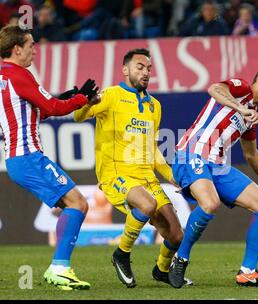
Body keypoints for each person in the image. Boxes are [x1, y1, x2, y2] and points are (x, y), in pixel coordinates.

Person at [0, 25, 99, 290]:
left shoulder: (1, 78)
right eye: (31, 46)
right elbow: (52, 107)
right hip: (28, 157)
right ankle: (59, 267)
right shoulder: (19, 74)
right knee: (79, 204)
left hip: (19, 159)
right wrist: (82, 99)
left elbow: (40, 110)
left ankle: (60, 266)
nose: (34, 51)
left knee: (69, 205)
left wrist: (69, 97)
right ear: (16, 49)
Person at [74, 48, 191, 288]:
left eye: (148, 68)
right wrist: (87, 103)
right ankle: (122, 254)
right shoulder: (111, 95)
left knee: (176, 235)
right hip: (116, 174)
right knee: (147, 205)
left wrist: (173, 177)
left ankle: (161, 270)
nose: (145, 72)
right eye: (140, 67)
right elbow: (77, 116)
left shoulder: (154, 105)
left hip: (147, 177)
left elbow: (153, 151)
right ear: (125, 70)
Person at [168, 64, 258, 289]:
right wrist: (241, 109)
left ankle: (247, 272)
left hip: (218, 166)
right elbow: (214, 89)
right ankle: (180, 259)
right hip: (191, 153)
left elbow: (251, 154)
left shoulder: (253, 114)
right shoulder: (240, 88)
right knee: (210, 203)